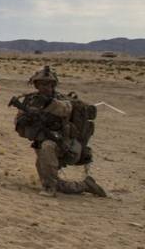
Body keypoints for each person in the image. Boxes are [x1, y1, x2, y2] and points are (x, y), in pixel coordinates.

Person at [11, 66, 105, 197]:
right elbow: (19, 127)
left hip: (66, 147)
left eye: (49, 84)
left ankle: (50, 189)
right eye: (42, 84)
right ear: (36, 85)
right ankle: (85, 185)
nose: (45, 87)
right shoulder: (31, 100)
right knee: (54, 182)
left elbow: (65, 109)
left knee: (47, 147)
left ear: (54, 85)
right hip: (44, 148)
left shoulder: (62, 100)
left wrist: (48, 103)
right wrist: (26, 119)